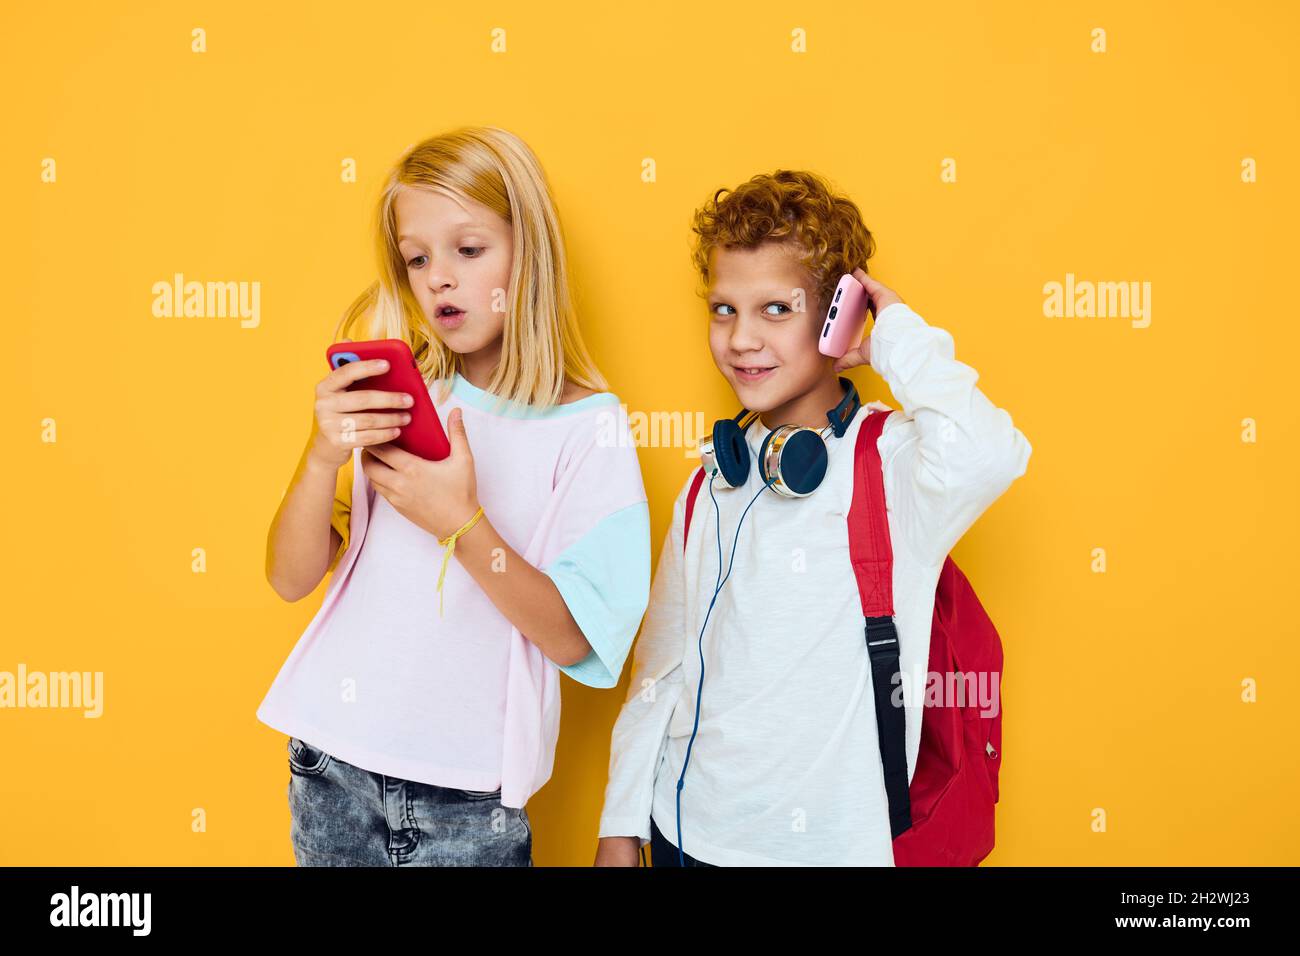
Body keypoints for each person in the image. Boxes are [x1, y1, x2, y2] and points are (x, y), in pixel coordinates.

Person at [594, 169, 1032, 866]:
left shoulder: (891, 463)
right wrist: (621, 820)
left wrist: (893, 337)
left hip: (835, 850)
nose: (741, 340)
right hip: (687, 838)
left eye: (776, 309)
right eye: (723, 309)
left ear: (838, 316)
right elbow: (664, 665)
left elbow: (990, 455)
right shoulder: (712, 479)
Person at [259, 126, 650, 866]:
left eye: (468, 250)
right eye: (417, 257)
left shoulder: (589, 430)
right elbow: (289, 578)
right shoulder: (405, 396)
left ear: (527, 251)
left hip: (468, 800)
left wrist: (460, 523)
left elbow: (577, 639)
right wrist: (319, 457)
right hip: (331, 764)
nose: (438, 276)